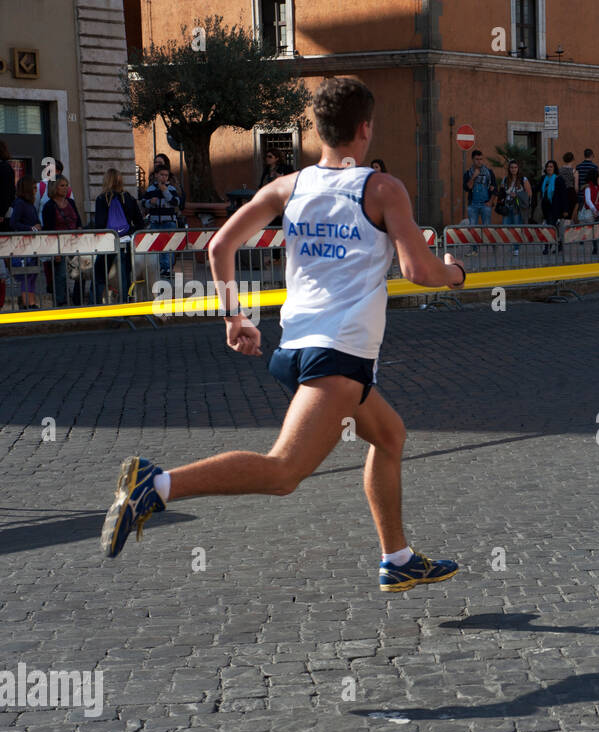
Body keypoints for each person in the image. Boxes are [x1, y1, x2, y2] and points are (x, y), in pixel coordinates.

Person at [101, 76, 469, 594]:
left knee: (389, 435)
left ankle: (398, 557)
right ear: (365, 129)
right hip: (337, 354)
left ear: (318, 130)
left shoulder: (287, 186)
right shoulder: (383, 188)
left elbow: (220, 247)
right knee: (283, 473)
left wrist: (235, 316)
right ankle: (156, 484)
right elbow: (418, 271)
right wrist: (457, 273)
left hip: (297, 348)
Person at [92, 168, 143, 305]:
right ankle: (125, 304)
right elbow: (140, 223)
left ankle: (96, 305)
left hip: (108, 243)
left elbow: (100, 224)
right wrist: (127, 231)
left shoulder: (102, 199)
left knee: (99, 275)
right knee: (125, 276)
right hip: (126, 243)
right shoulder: (129, 198)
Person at [41, 174, 83, 306]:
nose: (65, 188)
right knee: (61, 276)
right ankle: (61, 303)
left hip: (74, 244)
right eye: (62, 185)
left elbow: (79, 221)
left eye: (66, 185)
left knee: (79, 274)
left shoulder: (70, 202)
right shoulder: (49, 206)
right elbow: (48, 230)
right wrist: (54, 251)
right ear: (54, 187)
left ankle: (78, 302)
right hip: (58, 245)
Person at [141, 165, 184, 278]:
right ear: (156, 175)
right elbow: (143, 202)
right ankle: (159, 268)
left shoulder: (171, 189)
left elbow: (176, 202)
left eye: (166, 175)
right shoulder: (150, 189)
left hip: (169, 222)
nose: (164, 177)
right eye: (161, 175)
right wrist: (150, 202)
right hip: (155, 222)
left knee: (168, 246)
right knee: (157, 246)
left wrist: (165, 192)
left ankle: (167, 268)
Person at [9, 176, 41, 308]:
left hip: (32, 244)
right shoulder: (20, 203)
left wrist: (37, 226)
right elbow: (13, 223)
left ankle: (31, 301)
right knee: (26, 274)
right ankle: (28, 303)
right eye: (33, 188)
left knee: (33, 274)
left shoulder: (30, 204)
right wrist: (31, 228)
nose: (36, 191)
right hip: (23, 245)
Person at [461, 149, 496, 255]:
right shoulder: (468, 173)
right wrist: (474, 176)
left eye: (481, 159)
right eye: (477, 159)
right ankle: (474, 250)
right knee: (472, 228)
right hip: (473, 205)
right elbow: (467, 188)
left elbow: (495, 189)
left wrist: (490, 202)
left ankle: (492, 247)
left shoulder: (489, 173)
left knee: (487, 227)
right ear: (473, 160)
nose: (479, 161)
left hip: (485, 204)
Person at [496, 159, 531, 256]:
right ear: (509, 169)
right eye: (512, 167)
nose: (513, 169)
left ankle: (516, 248)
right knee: (506, 227)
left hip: (517, 208)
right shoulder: (505, 179)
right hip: (507, 207)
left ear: (518, 168)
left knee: (516, 227)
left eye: (515, 167)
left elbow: (529, 194)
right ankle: (513, 245)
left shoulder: (523, 180)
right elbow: (502, 192)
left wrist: (517, 195)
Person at [538, 159, 568, 254]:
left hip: (556, 208)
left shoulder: (559, 179)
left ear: (554, 168)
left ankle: (548, 246)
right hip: (546, 208)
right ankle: (558, 244)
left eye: (551, 166)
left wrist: (565, 209)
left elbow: (564, 195)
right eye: (547, 166)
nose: (549, 168)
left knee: (550, 227)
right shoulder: (543, 179)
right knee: (552, 227)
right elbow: (539, 190)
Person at [579, 173, 599, 255]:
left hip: (598, 211)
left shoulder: (596, 187)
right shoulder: (588, 187)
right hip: (594, 211)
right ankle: (597, 248)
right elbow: (588, 200)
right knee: (596, 231)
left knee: (598, 230)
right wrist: (594, 210)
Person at [558, 151, 577, 218]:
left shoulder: (559, 170)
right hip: (570, 192)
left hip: (561, 193)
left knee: (561, 214)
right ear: (572, 160)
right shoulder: (574, 171)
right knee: (569, 215)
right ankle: (566, 227)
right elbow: (576, 187)